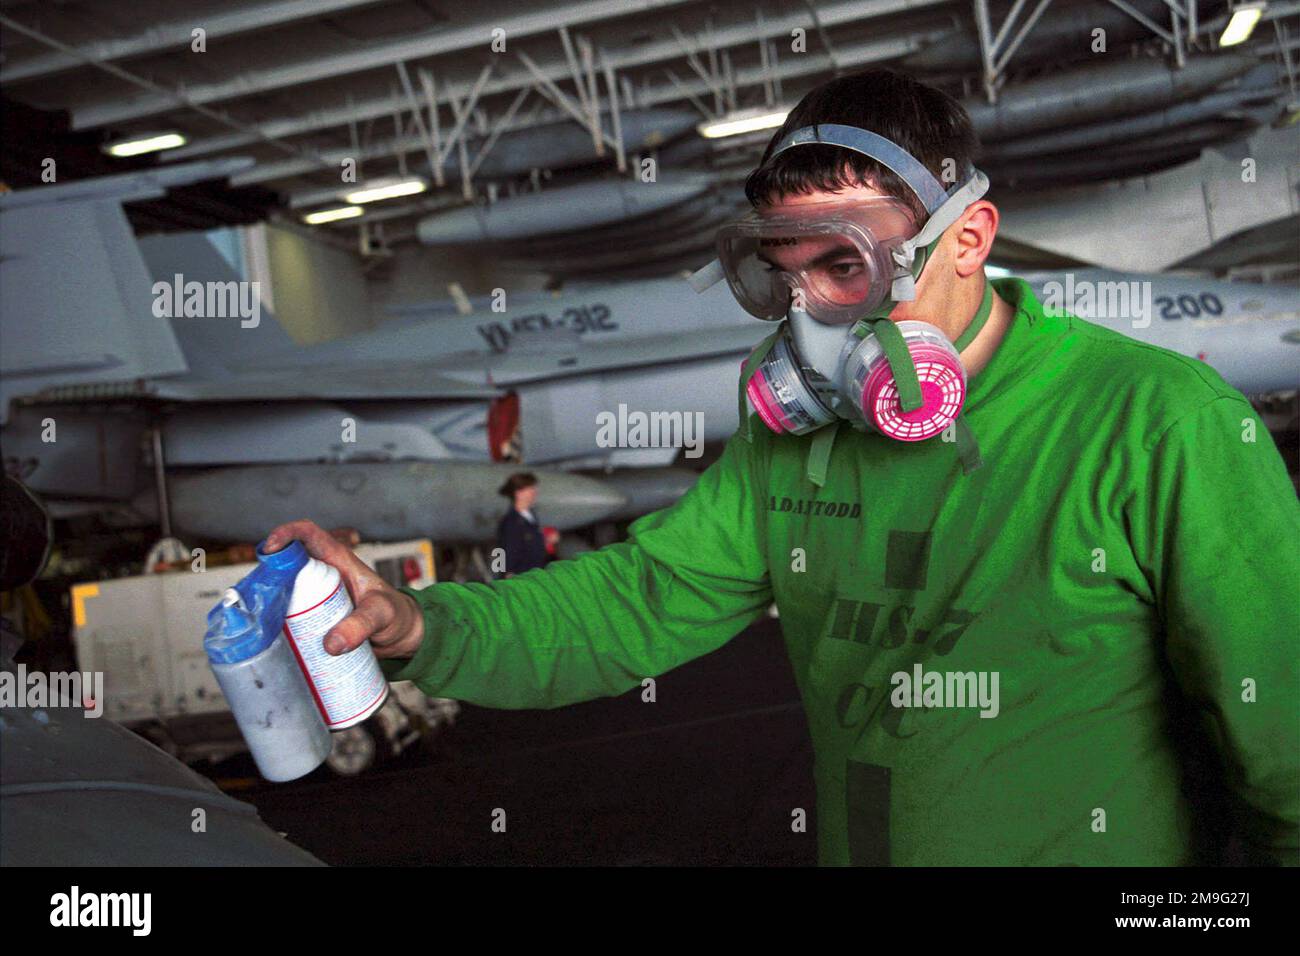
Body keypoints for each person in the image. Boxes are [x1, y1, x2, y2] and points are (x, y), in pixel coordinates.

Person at [264, 68, 1299, 866]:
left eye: (846, 266)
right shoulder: (793, 431)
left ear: (968, 237)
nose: (810, 318)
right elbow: (639, 598)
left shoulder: (1160, 422)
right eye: (784, 273)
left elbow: (1282, 741)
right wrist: (422, 626)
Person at [493, 472, 554, 578]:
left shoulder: (531, 517)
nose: (535, 492)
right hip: (522, 580)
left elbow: (528, 545)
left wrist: (545, 540)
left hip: (535, 576)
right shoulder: (511, 522)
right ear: (519, 493)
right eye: (530, 489)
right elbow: (507, 554)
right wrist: (509, 578)